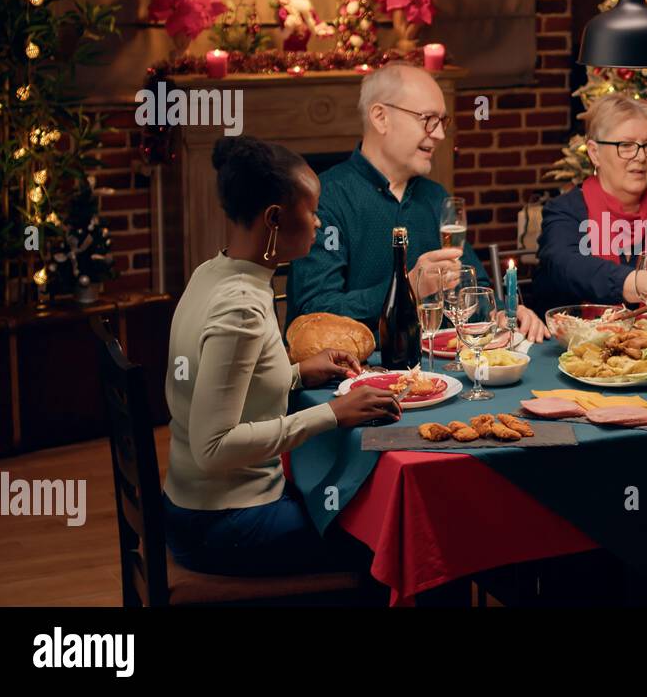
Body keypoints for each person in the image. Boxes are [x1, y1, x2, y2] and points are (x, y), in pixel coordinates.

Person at [163, 136, 404, 576]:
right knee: (391, 535)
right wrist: (332, 412)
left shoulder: (214, 272)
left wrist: (294, 374)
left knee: (369, 507)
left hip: (193, 507)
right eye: (310, 211)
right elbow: (212, 448)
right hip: (224, 523)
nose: (317, 223)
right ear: (274, 217)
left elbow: (225, 383)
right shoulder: (241, 307)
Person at [286, 61, 549, 341]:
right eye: (427, 119)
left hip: (435, 371)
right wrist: (409, 286)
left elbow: (474, 288)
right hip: (349, 375)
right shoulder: (326, 198)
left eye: (442, 121)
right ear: (380, 117)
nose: (439, 134)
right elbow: (314, 312)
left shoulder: (437, 198)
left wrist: (500, 314)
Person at [531, 94, 647, 314]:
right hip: (569, 345)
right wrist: (634, 282)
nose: (641, 157)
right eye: (626, 145)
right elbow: (565, 265)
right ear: (595, 153)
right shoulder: (565, 211)